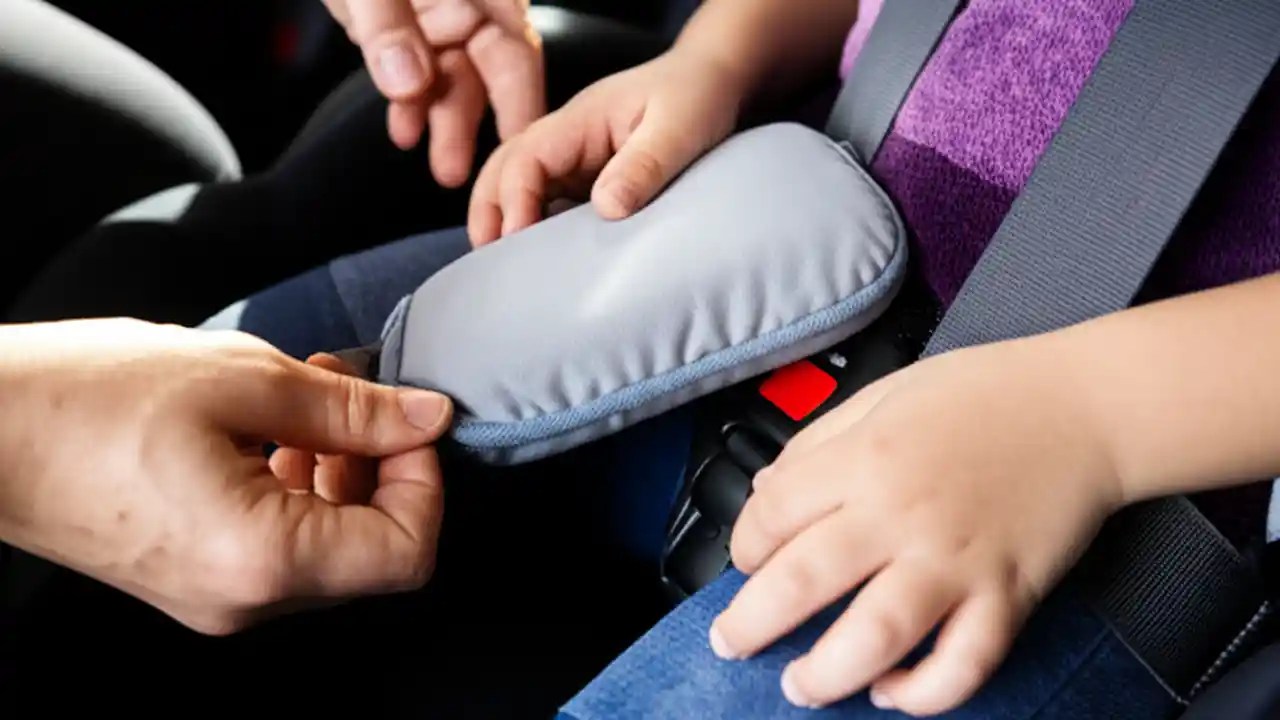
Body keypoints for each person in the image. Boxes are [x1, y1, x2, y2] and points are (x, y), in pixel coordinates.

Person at [5, 1, 1280, 719]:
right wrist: (717, 55)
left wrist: (1088, 416)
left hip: (1129, 454)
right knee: (246, 378)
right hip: (774, 222)